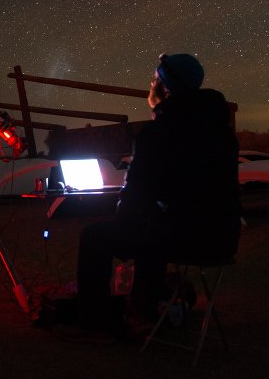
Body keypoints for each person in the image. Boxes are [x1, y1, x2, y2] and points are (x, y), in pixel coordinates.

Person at [71, 53, 241, 339]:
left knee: (96, 236)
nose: (150, 86)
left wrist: (122, 220)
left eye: (154, 80)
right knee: (156, 226)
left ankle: (96, 321)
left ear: (165, 89)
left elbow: (137, 198)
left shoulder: (158, 134)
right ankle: (148, 304)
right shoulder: (222, 133)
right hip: (222, 238)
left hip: (183, 239)